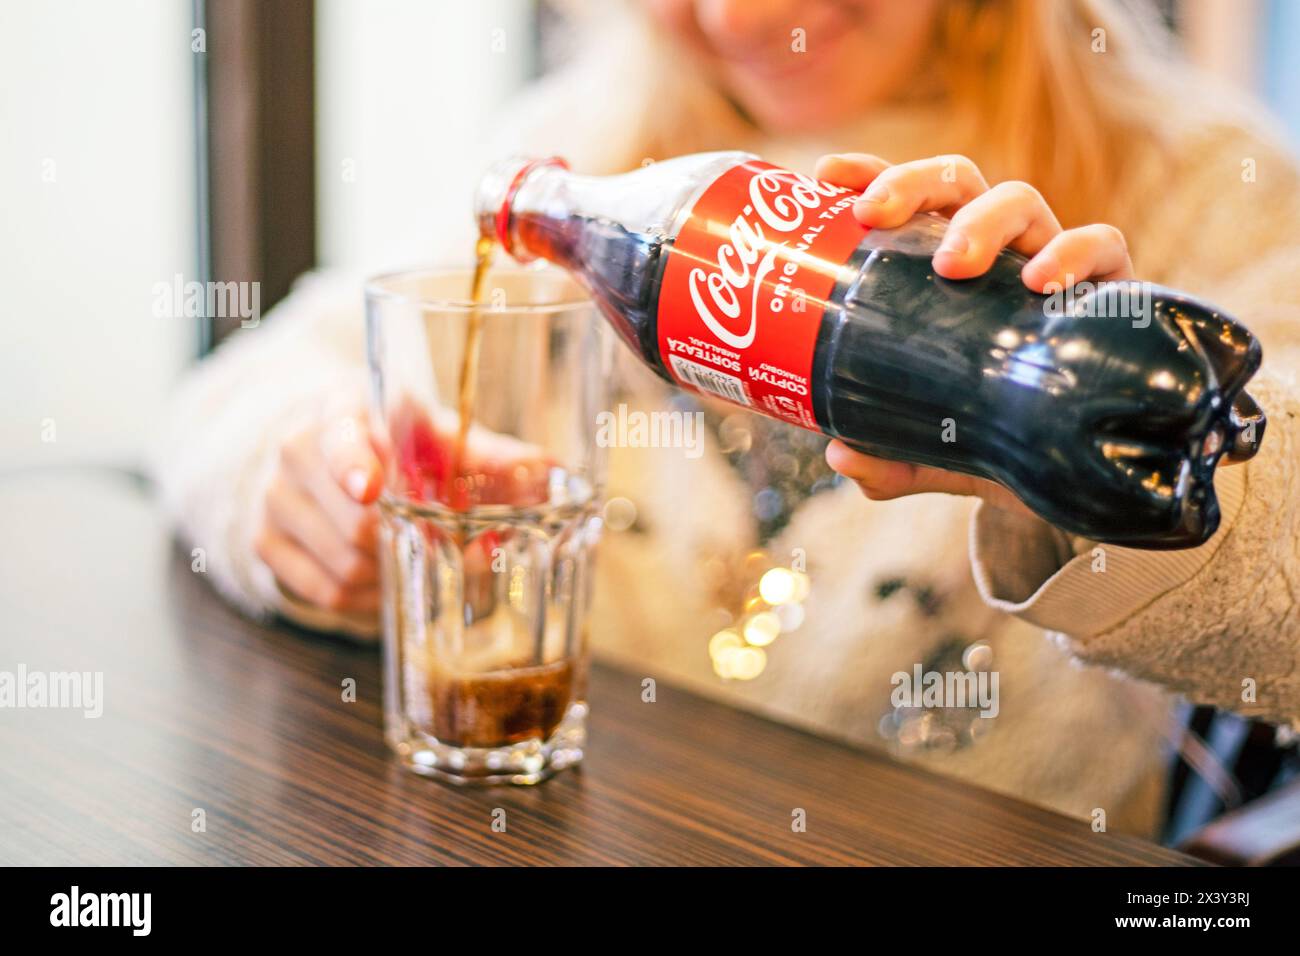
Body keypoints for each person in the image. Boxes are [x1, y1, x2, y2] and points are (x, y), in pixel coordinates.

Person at [152, 0, 1300, 837]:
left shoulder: (1203, 184)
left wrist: (1091, 443)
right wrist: (294, 480)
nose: (748, 14)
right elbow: (241, 388)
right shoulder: (590, 150)